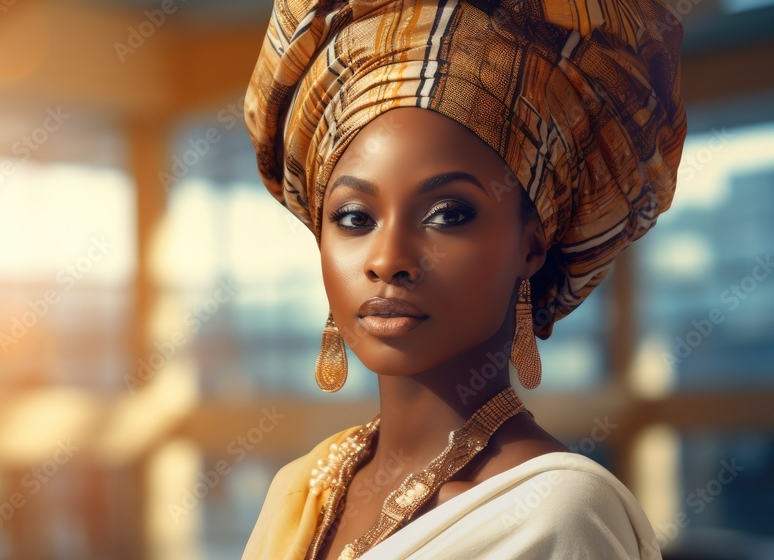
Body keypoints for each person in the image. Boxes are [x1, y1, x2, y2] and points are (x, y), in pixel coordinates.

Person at [241, 0, 686, 558]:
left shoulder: (560, 514)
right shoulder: (303, 486)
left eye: (448, 214)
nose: (388, 259)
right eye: (355, 217)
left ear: (530, 245)